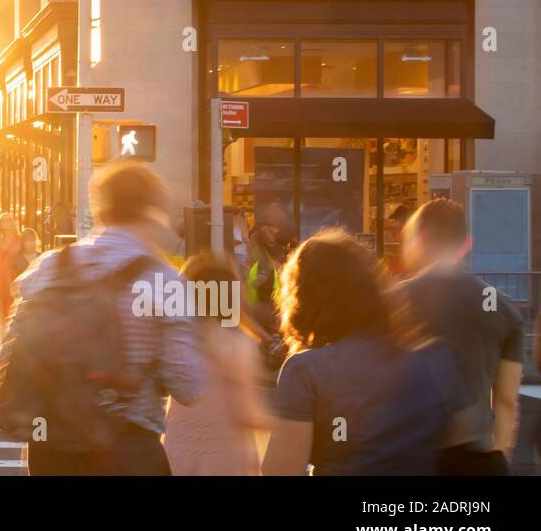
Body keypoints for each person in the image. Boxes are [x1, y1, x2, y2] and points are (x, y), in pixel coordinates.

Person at [1, 162, 206, 475]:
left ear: (97, 209)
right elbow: (187, 385)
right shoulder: (164, 281)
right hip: (127, 448)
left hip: (52, 444)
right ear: (152, 212)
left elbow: (9, 355)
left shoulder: (48, 268)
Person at [262, 230, 467, 476]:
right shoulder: (437, 359)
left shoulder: (307, 371)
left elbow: (281, 471)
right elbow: (460, 455)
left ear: (302, 298)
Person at [394, 198, 523, 475]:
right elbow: (506, 401)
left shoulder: (392, 302)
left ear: (421, 239)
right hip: (478, 457)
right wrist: (496, 454)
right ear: (466, 244)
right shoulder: (505, 309)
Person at [163, 252, 267, 476]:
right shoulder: (235, 344)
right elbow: (246, 413)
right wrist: (288, 423)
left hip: (177, 454)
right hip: (223, 458)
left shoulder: (178, 339)